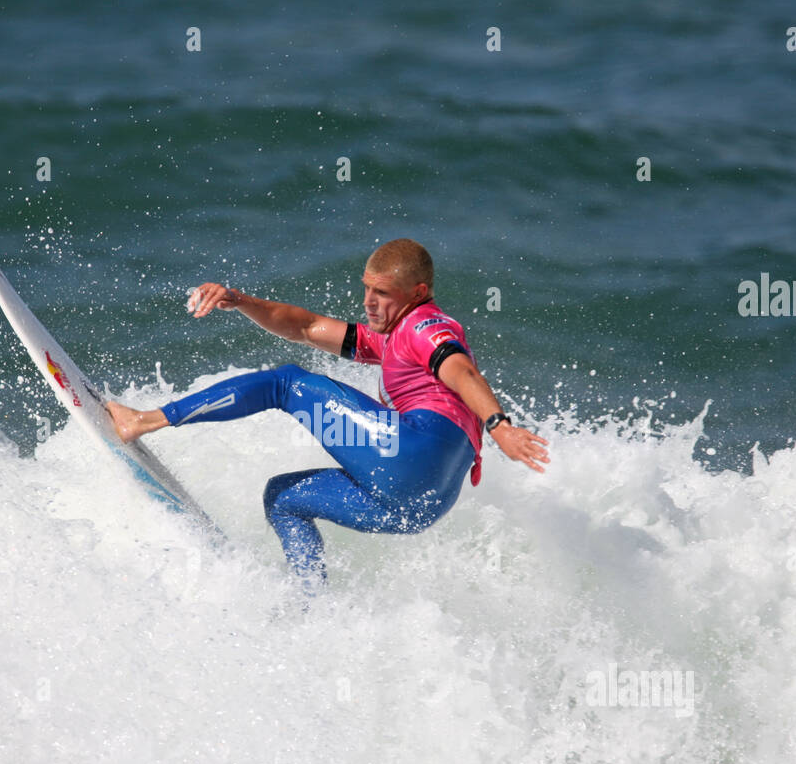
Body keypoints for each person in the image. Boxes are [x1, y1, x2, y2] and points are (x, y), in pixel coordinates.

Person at [107, 238, 549, 582]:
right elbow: (302, 326)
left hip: (408, 454)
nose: (368, 302)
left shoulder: (424, 325)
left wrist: (500, 426)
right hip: (422, 506)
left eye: (382, 292)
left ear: (418, 292)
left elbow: (460, 371)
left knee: (286, 383)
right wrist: (240, 301)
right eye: (366, 289)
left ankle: (143, 420)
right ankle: (308, 609)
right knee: (284, 499)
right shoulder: (390, 338)